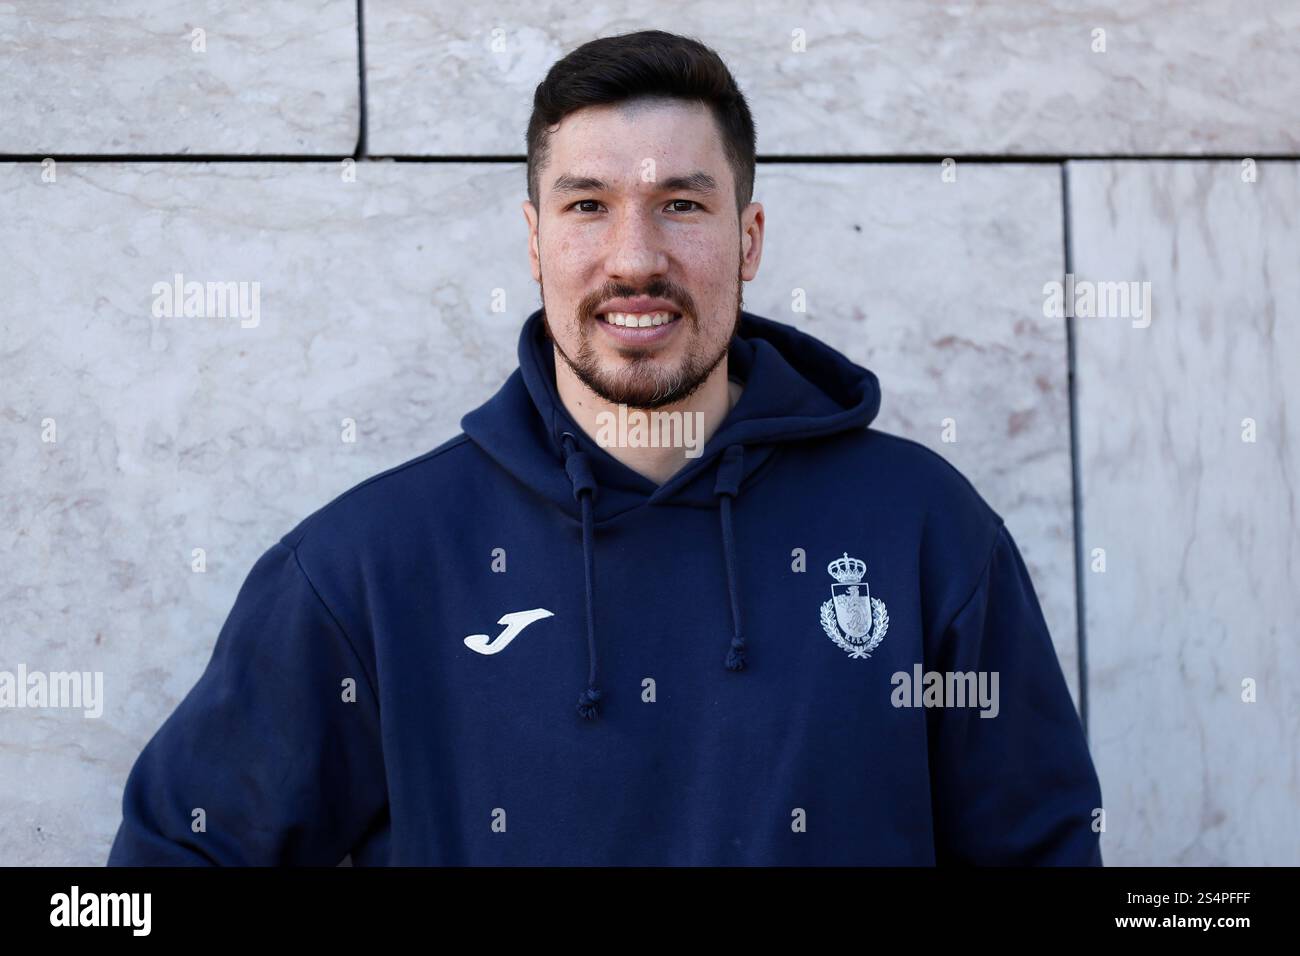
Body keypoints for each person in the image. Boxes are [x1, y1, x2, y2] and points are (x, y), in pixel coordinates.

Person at [108, 30, 1103, 866]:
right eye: (589, 205)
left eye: (681, 203)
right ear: (535, 240)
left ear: (748, 239)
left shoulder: (922, 534)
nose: (635, 257)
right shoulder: (367, 570)